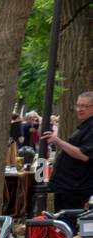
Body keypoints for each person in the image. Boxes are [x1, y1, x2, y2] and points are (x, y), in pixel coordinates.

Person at [42, 90, 93, 222]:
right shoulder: (84, 125)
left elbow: (84, 155)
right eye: (78, 105)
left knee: (68, 224)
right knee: (61, 223)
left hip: (75, 188)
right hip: (67, 187)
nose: (79, 109)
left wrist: (58, 141)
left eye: (84, 106)